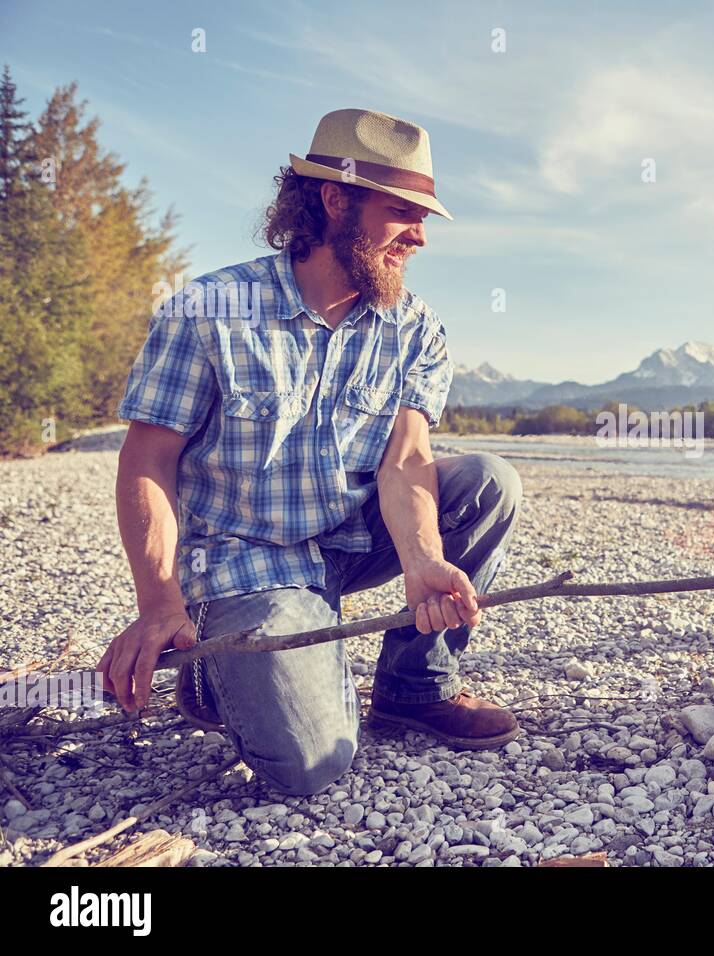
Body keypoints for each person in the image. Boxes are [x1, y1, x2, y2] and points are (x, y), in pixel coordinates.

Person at [99, 108, 522, 796]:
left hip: (351, 540)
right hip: (247, 563)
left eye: (423, 218)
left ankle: (416, 689)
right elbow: (147, 461)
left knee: (487, 480)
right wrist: (158, 603)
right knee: (312, 765)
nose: (418, 236)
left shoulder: (416, 328)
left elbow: (408, 460)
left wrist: (421, 560)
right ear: (334, 200)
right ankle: (212, 662)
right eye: (401, 212)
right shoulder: (207, 310)